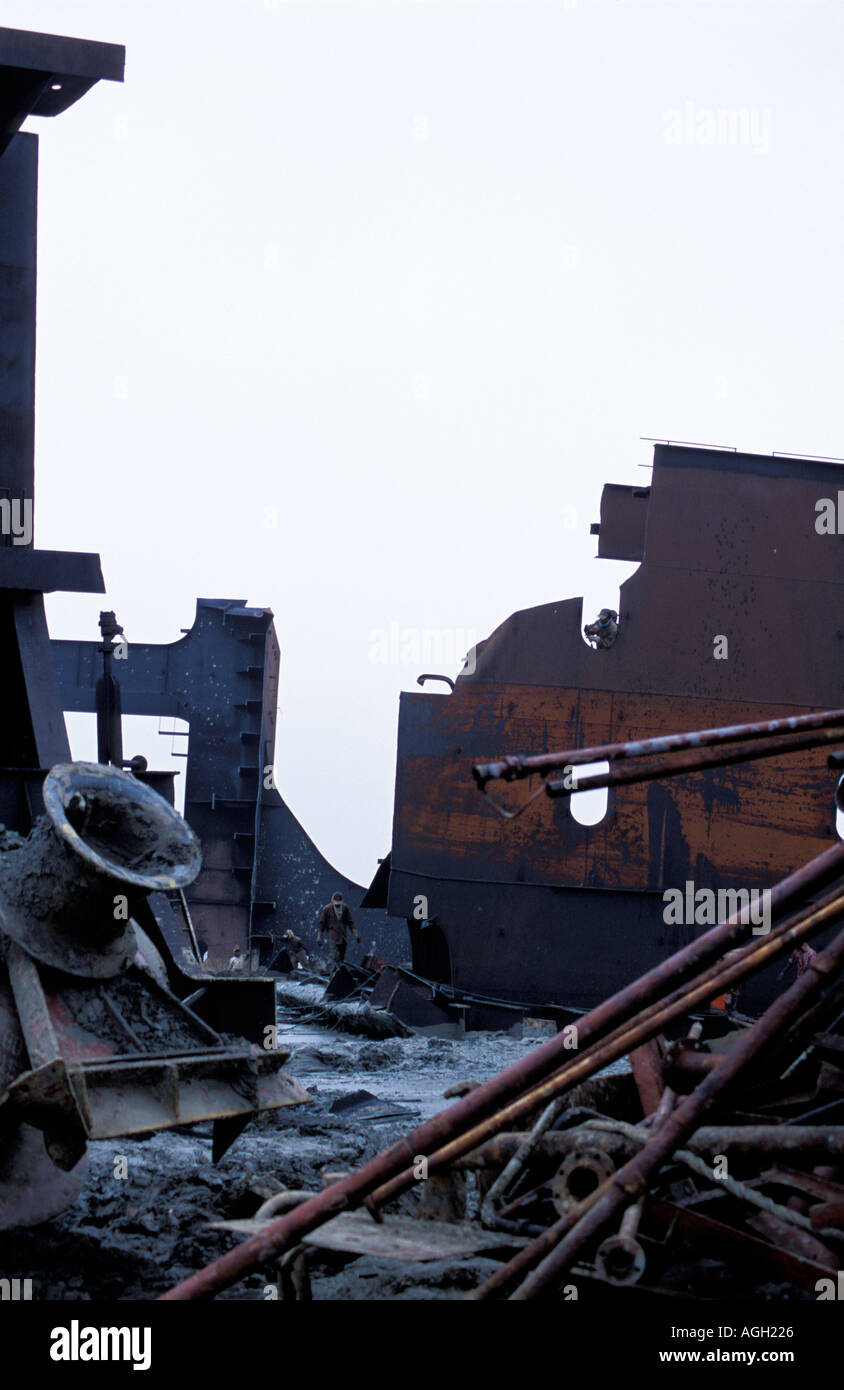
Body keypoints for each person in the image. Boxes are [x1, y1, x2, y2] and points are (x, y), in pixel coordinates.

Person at [317, 891, 360, 967]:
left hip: (343, 937)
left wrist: (355, 934)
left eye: (339, 903)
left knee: (341, 958)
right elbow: (322, 923)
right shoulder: (327, 909)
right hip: (333, 936)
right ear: (332, 901)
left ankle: (337, 971)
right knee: (336, 957)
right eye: (336, 903)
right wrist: (319, 936)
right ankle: (337, 972)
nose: (337, 905)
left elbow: (350, 922)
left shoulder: (345, 908)